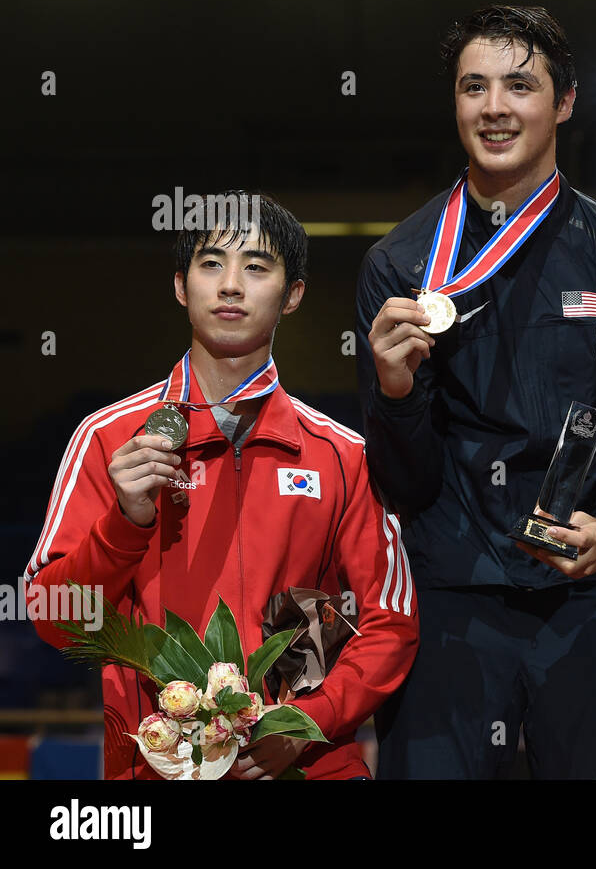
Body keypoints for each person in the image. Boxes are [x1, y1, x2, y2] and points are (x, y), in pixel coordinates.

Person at [357, 5, 596, 779]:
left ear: (564, 102)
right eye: (474, 87)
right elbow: (401, 483)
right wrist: (395, 393)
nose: (493, 107)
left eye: (519, 85)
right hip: (451, 604)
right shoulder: (399, 267)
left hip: (589, 597)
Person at [25, 193, 418, 780]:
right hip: (155, 769)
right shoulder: (108, 439)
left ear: (293, 296)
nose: (231, 285)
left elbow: (391, 621)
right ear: (182, 287)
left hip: (310, 765)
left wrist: (306, 723)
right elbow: (53, 619)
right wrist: (124, 526)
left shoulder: (343, 455)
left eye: (257, 267)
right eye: (212, 265)